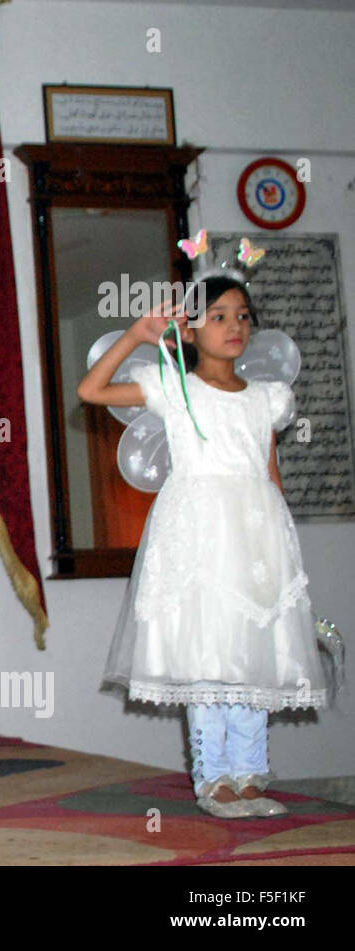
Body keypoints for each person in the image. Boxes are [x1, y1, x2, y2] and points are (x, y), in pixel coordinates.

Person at [77, 277, 327, 818]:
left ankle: (250, 774)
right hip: (197, 536)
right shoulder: (176, 389)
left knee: (254, 648)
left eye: (242, 315)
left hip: (254, 535)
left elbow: (270, 474)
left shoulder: (267, 398)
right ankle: (214, 778)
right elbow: (91, 391)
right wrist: (137, 335)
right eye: (218, 316)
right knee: (207, 650)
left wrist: (282, 547)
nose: (235, 325)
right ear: (189, 331)